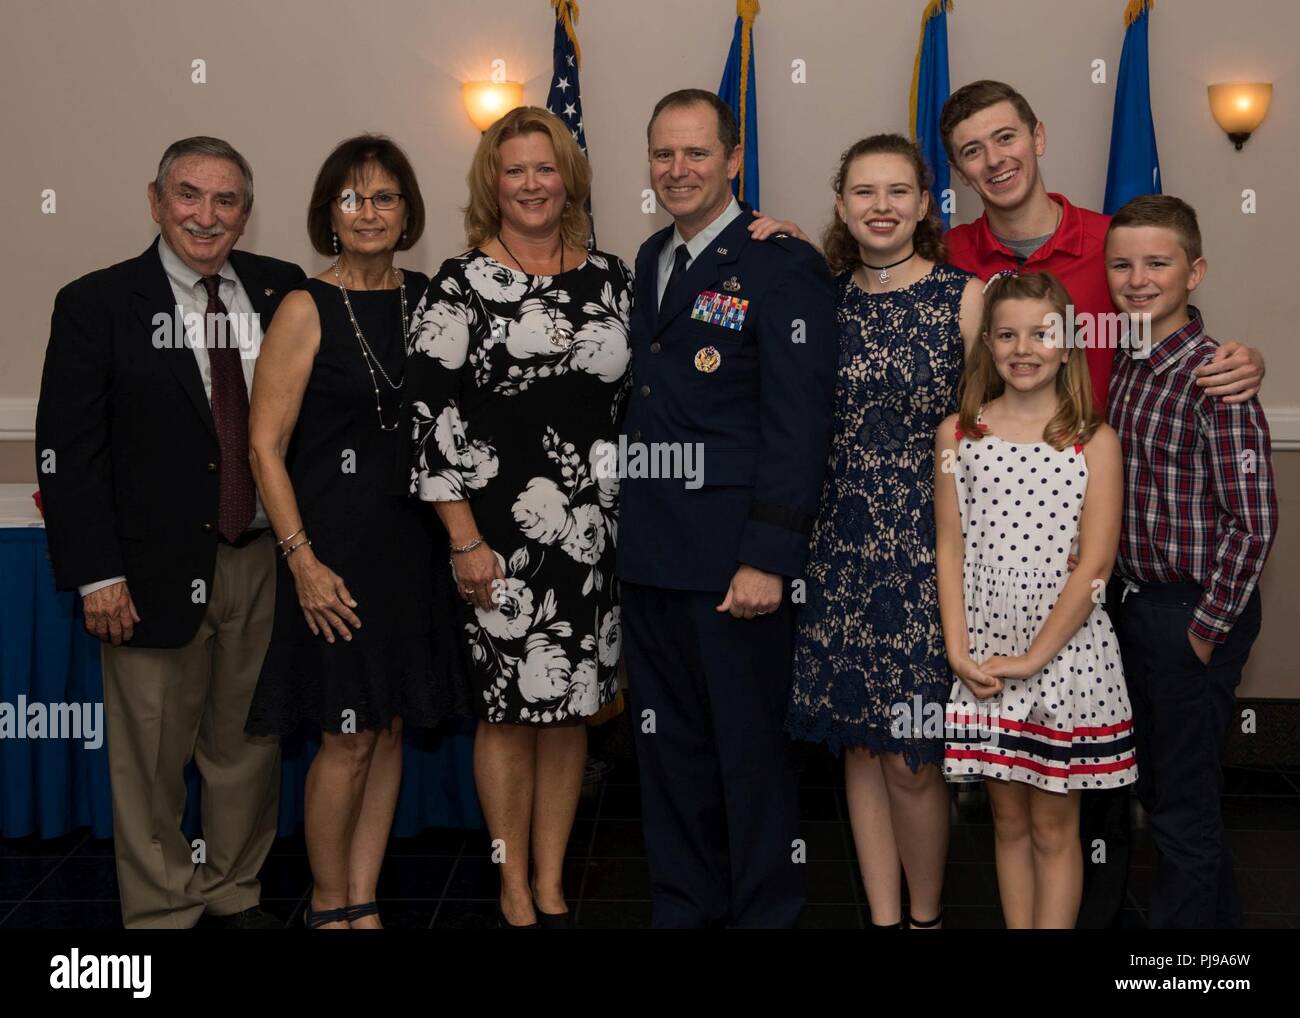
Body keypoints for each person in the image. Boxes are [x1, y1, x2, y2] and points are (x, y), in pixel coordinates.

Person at [937, 78, 1267, 927]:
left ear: (1038, 134)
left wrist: (1243, 360)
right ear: (959, 169)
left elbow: (1170, 310)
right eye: (971, 150)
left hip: (1145, 581)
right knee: (1095, 789)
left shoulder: (1107, 242)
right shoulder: (953, 257)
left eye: (1005, 137)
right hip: (1083, 586)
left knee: (1162, 794)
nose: (993, 159)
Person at [34, 137, 305, 929]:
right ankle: (159, 910)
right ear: (155, 202)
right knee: (150, 756)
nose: (206, 215)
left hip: (262, 560)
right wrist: (96, 576)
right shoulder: (96, 304)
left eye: (225, 201)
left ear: (246, 215)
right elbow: (69, 455)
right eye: (188, 195)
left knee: (249, 745)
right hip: (146, 573)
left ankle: (232, 888)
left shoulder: (282, 290)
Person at [404, 106, 631, 929]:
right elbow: (428, 423)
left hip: (590, 540)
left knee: (570, 714)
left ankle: (550, 875)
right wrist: (464, 542)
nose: (532, 183)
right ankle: (508, 882)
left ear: (568, 177)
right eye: (514, 170)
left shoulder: (613, 279)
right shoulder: (458, 286)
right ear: (490, 183)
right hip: (495, 546)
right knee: (506, 715)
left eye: (546, 168)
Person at [617, 88, 838, 928]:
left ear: (734, 160)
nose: (678, 170)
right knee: (666, 753)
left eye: (697, 154)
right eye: (664, 155)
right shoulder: (650, 259)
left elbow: (799, 422)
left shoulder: (782, 264)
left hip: (735, 562)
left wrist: (769, 556)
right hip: (651, 556)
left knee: (749, 761)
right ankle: (684, 908)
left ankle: (764, 914)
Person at [754, 135, 982, 931]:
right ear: (842, 207)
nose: (880, 206)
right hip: (836, 547)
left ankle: (926, 918)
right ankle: (882, 919)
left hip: (928, 552)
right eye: (862, 193)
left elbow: (1003, 424)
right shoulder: (820, 295)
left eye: (898, 191)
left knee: (910, 755)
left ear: (925, 205)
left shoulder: (969, 298)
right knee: (855, 743)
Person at [246, 136, 460, 929]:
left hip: (414, 549)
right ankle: (327, 903)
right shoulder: (304, 305)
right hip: (331, 552)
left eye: (385, 198)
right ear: (328, 214)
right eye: (352, 198)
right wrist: (300, 559)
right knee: (346, 736)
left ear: (408, 212)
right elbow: (263, 445)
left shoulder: (432, 295)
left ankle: (362, 899)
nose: (369, 212)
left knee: (390, 724)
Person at [935, 271, 1137, 928]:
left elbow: (1096, 568)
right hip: (987, 656)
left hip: (1063, 660)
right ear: (988, 345)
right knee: (1006, 820)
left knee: (1054, 827)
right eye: (1008, 334)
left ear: (1068, 341)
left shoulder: (1091, 440)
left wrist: (1033, 658)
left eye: (1041, 333)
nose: (1025, 348)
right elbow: (952, 550)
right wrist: (960, 650)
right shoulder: (960, 436)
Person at [1104, 195, 1276, 928]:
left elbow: (1255, 520)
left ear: (1194, 270)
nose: (1137, 279)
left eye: (1157, 262)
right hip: (1137, 604)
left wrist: (1202, 630)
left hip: (1193, 611)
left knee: (1182, 805)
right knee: (1169, 792)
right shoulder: (1127, 359)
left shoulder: (1216, 379)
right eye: (1122, 264)